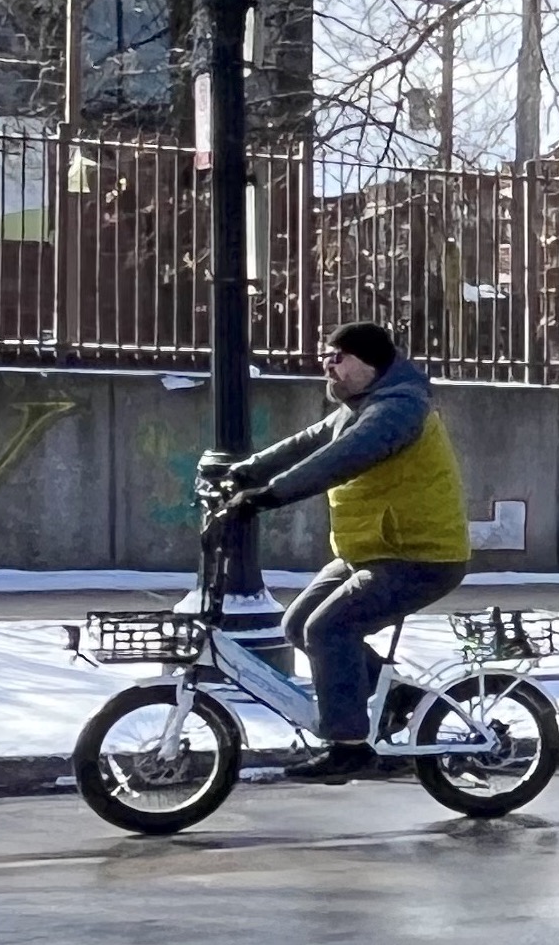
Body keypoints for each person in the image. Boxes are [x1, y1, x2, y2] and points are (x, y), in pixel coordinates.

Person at [221, 321, 469, 781]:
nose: (327, 367)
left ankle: (350, 746)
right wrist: (245, 472)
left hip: (420, 557)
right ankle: (393, 699)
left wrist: (268, 496)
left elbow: (341, 458)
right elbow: (307, 443)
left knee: (329, 628)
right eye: (323, 358)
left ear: (368, 363)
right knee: (297, 625)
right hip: (374, 552)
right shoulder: (359, 407)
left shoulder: (398, 410)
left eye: (336, 358)